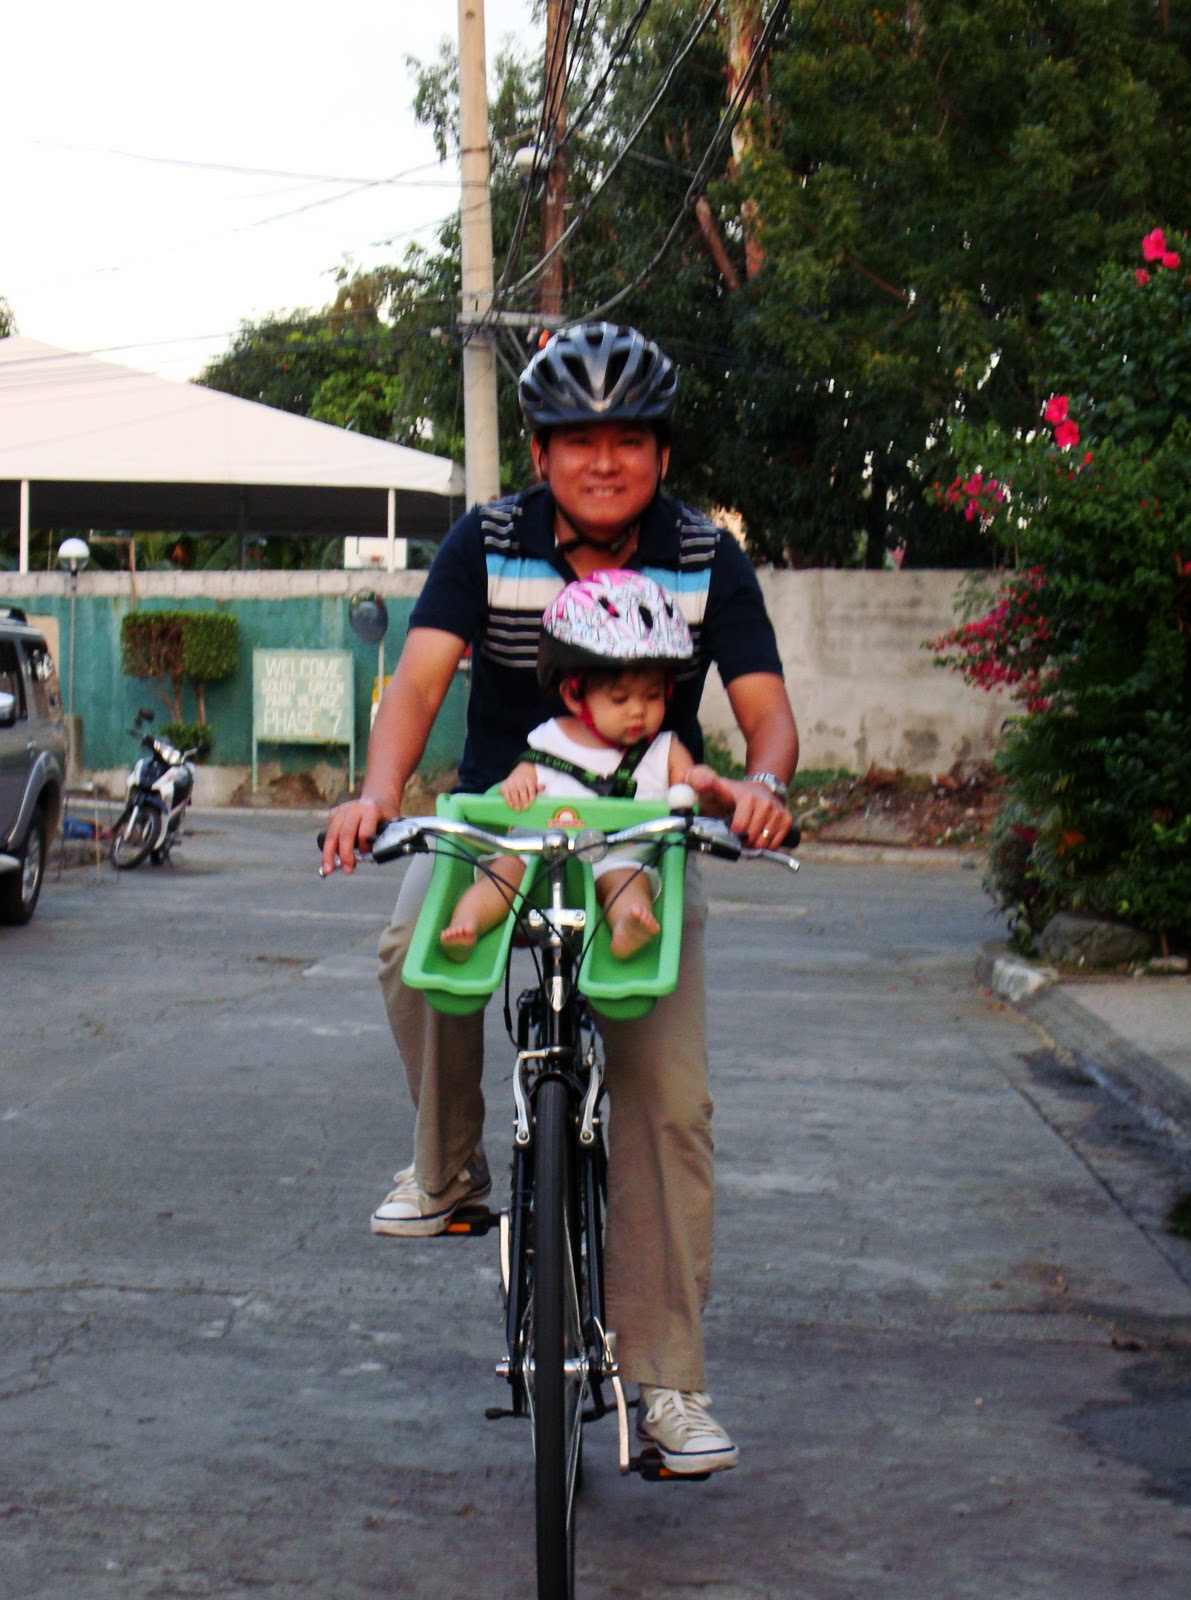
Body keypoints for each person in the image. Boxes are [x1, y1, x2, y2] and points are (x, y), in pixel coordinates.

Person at [321, 321, 798, 1476]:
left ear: (662, 454)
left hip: (643, 831)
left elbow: (764, 710)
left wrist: (766, 786)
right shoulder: (485, 541)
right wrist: (379, 795)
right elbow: (420, 682)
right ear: (538, 454)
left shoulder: (701, 554)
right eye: (576, 440)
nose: (602, 461)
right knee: (410, 952)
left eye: (627, 438)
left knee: (668, 1102)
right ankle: (451, 1168)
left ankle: (669, 1388)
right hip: (504, 814)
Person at [440, 570, 719, 962]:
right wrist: (516, 785)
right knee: (503, 870)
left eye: (653, 696)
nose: (638, 710)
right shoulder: (550, 738)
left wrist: (702, 786)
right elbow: (525, 774)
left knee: (626, 883)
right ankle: (466, 924)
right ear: (574, 694)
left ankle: (627, 927)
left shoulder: (665, 749)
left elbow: (691, 785)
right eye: (620, 699)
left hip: (618, 855)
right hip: (540, 856)